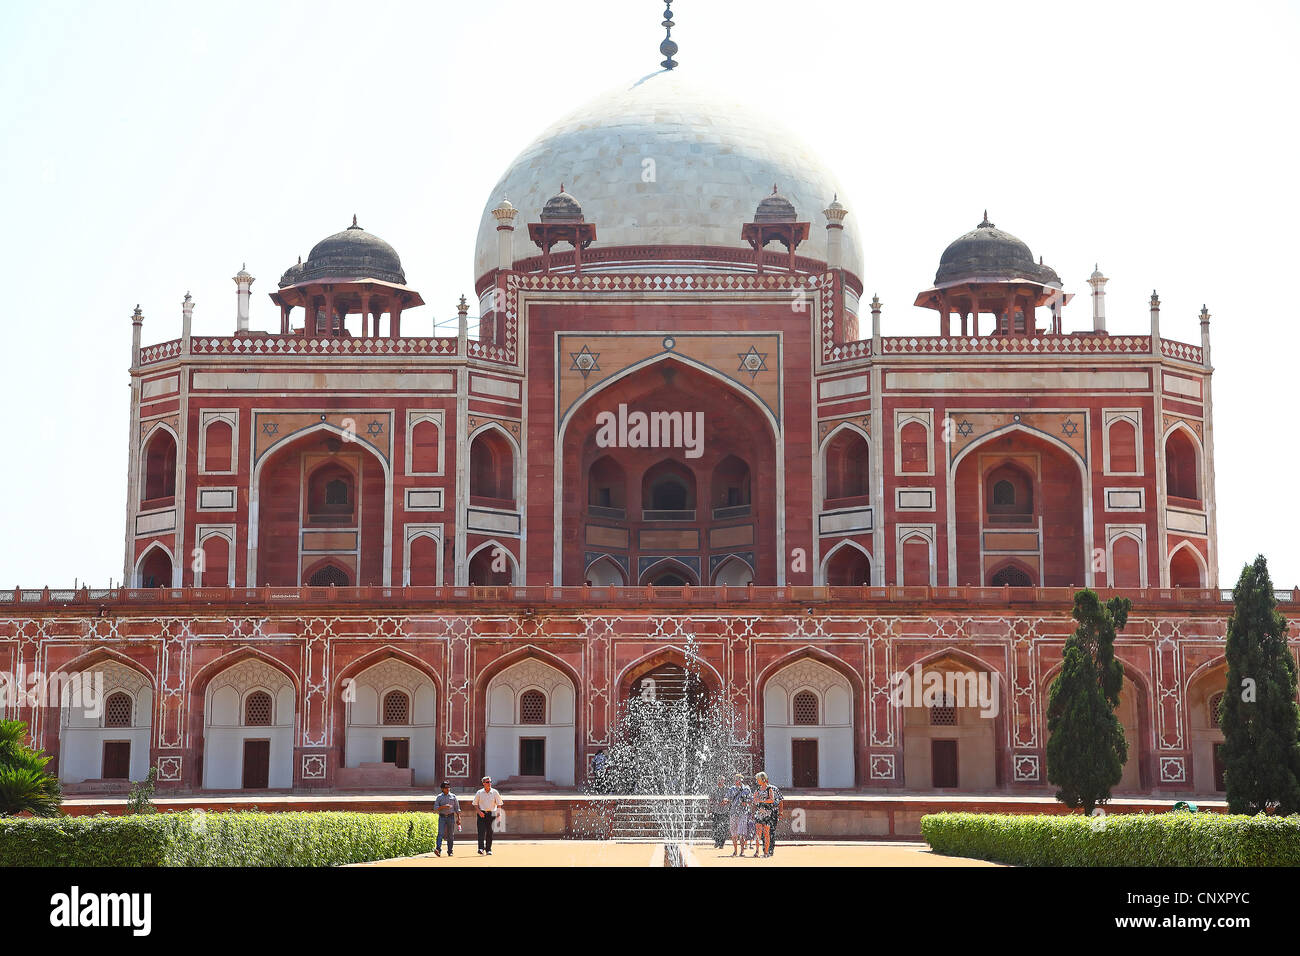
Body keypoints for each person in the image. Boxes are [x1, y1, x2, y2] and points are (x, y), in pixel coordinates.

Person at [473, 776, 505, 855]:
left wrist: (498, 814)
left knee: (490, 832)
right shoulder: (479, 792)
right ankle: (480, 848)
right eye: (487, 782)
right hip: (481, 814)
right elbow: (475, 804)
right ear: (483, 783)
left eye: (490, 782)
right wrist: (479, 812)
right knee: (481, 832)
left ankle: (488, 849)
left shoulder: (495, 792)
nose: (489, 783)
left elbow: (499, 804)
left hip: (491, 814)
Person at [723, 772, 752, 857]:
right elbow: (727, 797)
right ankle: (735, 850)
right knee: (734, 833)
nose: (735, 781)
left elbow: (751, 799)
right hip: (733, 812)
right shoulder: (732, 789)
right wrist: (725, 800)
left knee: (742, 833)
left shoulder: (746, 789)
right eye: (735, 779)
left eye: (737, 779)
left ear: (741, 780)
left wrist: (746, 802)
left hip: (743, 813)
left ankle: (742, 851)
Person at [752, 771, 779, 858]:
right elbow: (754, 800)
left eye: (758, 779)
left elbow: (772, 800)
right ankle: (757, 851)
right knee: (758, 833)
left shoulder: (769, 789)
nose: (757, 781)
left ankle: (766, 852)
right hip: (759, 813)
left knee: (766, 833)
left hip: (767, 813)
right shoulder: (757, 789)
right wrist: (758, 800)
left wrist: (762, 800)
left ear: (762, 779)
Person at [433, 781, 461, 857]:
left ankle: (450, 851)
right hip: (442, 817)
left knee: (450, 835)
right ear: (442, 788)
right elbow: (435, 808)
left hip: (450, 817)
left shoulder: (453, 796)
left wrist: (459, 818)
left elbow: (457, 808)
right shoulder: (439, 797)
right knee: (440, 833)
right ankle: (438, 849)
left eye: (449, 787)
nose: (448, 789)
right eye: (446, 787)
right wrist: (443, 806)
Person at [708, 775, 729, 849]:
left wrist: (725, 802)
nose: (720, 781)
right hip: (716, 810)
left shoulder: (727, 789)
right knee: (715, 826)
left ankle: (722, 843)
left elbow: (729, 798)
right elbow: (710, 799)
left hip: (724, 811)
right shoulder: (714, 789)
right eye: (719, 780)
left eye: (722, 780)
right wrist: (710, 808)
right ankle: (717, 841)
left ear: (724, 781)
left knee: (724, 827)